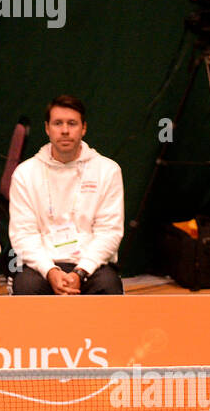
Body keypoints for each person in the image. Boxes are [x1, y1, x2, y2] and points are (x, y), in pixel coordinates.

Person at [8, 95, 124, 294]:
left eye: (72, 123)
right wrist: (50, 270)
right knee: (26, 288)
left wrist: (81, 272)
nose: (64, 130)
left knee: (108, 286)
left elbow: (110, 232)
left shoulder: (108, 170)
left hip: (91, 266)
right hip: (41, 266)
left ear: (84, 128)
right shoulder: (25, 174)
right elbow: (23, 235)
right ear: (47, 128)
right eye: (57, 123)